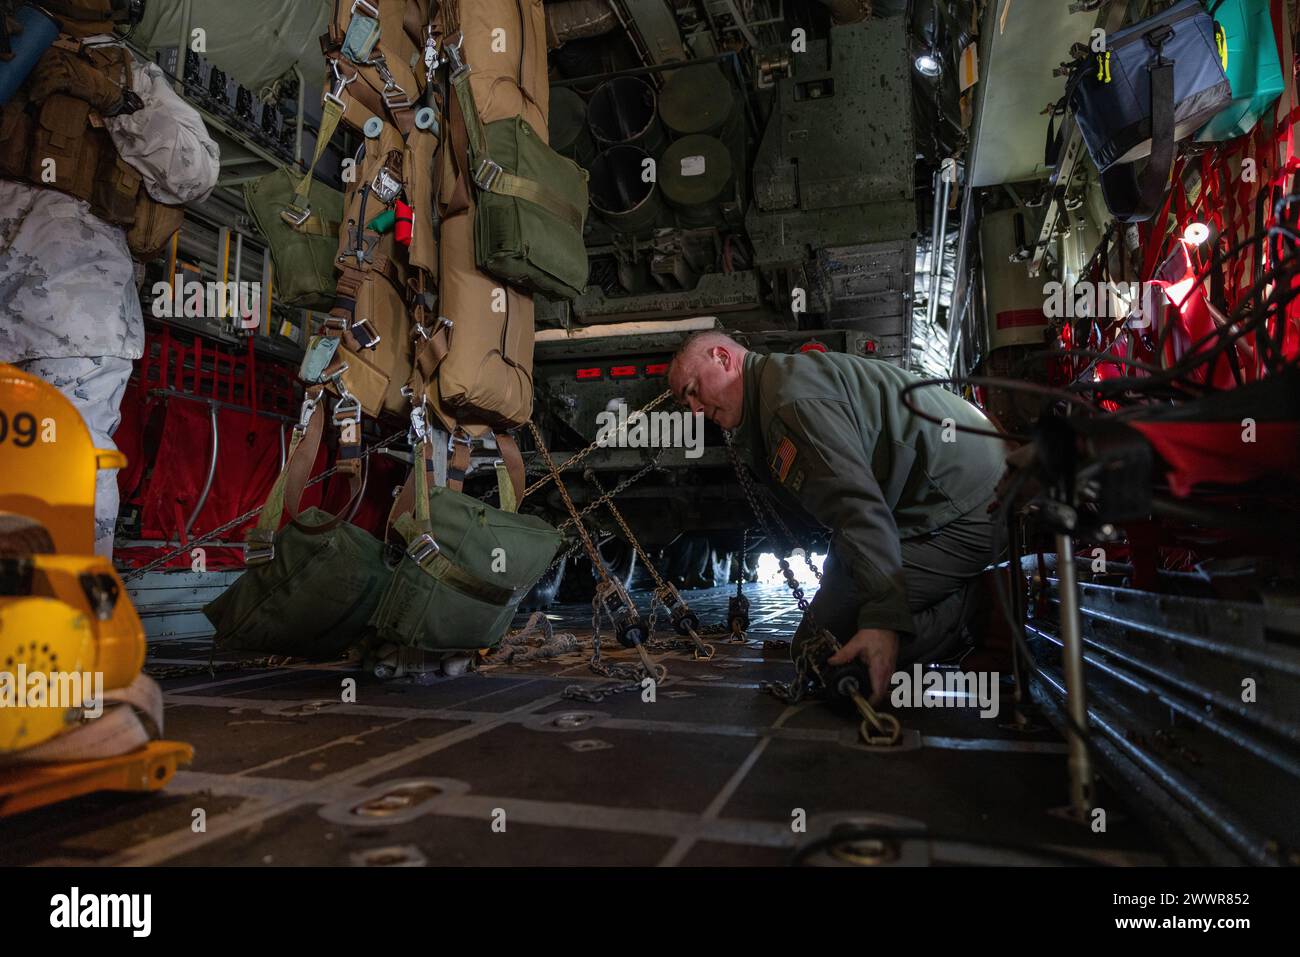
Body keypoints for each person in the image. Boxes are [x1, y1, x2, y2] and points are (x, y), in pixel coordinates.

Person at [668, 331, 1008, 704]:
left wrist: (882, 622)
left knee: (844, 648)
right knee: (814, 645)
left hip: (972, 504)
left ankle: (978, 611)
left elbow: (858, 508)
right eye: (687, 402)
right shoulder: (776, 387)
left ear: (723, 357)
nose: (696, 411)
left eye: (694, 390)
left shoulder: (788, 403)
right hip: (931, 503)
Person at [0, 16, 219, 556]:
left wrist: (115, 100)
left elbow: (196, 172)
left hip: (78, 314)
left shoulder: (130, 74)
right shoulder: (12, 43)